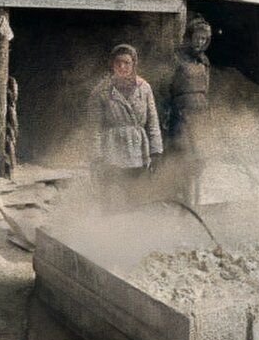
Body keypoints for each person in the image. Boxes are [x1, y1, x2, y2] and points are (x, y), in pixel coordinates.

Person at [88, 44, 163, 183]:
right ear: (112, 64)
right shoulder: (102, 91)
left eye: (127, 63)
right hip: (112, 151)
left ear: (134, 64)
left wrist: (156, 152)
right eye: (118, 63)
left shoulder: (144, 88)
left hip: (139, 151)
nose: (122, 67)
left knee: (137, 194)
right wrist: (97, 157)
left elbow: (153, 122)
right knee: (115, 195)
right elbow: (95, 128)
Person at [168, 15, 212, 204]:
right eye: (197, 37)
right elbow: (167, 86)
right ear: (190, 37)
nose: (200, 42)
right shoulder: (177, 58)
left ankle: (196, 201)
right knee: (182, 157)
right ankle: (181, 198)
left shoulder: (204, 62)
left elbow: (206, 90)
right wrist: (170, 111)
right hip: (181, 114)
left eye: (204, 39)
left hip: (199, 115)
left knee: (199, 159)